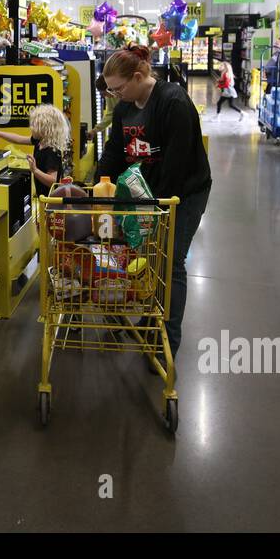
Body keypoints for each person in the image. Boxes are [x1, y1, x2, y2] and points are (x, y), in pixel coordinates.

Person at [95, 44, 212, 359]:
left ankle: (166, 345)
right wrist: (94, 185)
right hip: (143, 189)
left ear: (137, 76)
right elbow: (114, 152)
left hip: (184, 192)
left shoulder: (173, 102)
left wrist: (154, 209)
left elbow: (177, 164)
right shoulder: (125, 107)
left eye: (119, 88)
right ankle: (148, 318)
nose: (116, 95)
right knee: (142, 254)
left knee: (170, 260)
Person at [0, 104, 69, 197]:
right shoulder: (40, 141)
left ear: (45, 128)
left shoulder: (52, 151)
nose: (31, 128)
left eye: (34, 125)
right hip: (43, 197)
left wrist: (35, 170)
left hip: (52, 201)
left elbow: (53, 181)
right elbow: (18, 139)